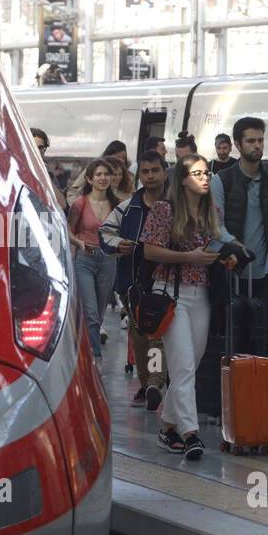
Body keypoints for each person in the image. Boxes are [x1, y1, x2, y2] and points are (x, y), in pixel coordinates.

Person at [142, 154, 232, 461]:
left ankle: (167, 428)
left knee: (189, 365)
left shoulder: (213, 212)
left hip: (202, 295)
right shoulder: (164, 210)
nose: (205, 178)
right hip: (171, 294)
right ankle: (191, 434)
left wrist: (226, 257)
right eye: (196, 174)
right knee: (182, 368)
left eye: (206, 173)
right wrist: (189, 257)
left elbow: (214, 248)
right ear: (182, 179)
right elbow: (150, 251)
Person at [212, 116, 268, 424]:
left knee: (267, 341)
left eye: (260, 140)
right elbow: (215, 224)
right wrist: (235, 246)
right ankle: (234, 401)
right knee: (235, 339)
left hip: (267, 275)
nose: (257, 145)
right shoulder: (222, 180)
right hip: (233, 274)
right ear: (237, 145)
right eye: (250, 140)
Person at [101, 151, 170, 409]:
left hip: (168, 283)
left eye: (155, 170)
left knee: (157, 335)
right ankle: (147, 383)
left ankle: (154, 381)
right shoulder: (129, 207)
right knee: (141, 336)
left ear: (165, 172)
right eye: (145, 171)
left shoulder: (176, 204)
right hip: (133, 283)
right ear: (139, 175)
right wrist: (120, 245)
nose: (150, 176)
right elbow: (105, 233)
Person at [68, 159, 119, 359]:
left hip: (108, 260)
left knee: (98, 313)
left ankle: (81, 351)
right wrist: (80, 244)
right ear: (89, 178)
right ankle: (94, 358)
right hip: (85, 260)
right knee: (90, 312)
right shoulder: (80, 203)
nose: (103, 178)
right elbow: (68, 230)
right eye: (98, 174)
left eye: (106, 174)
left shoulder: (117, 205)